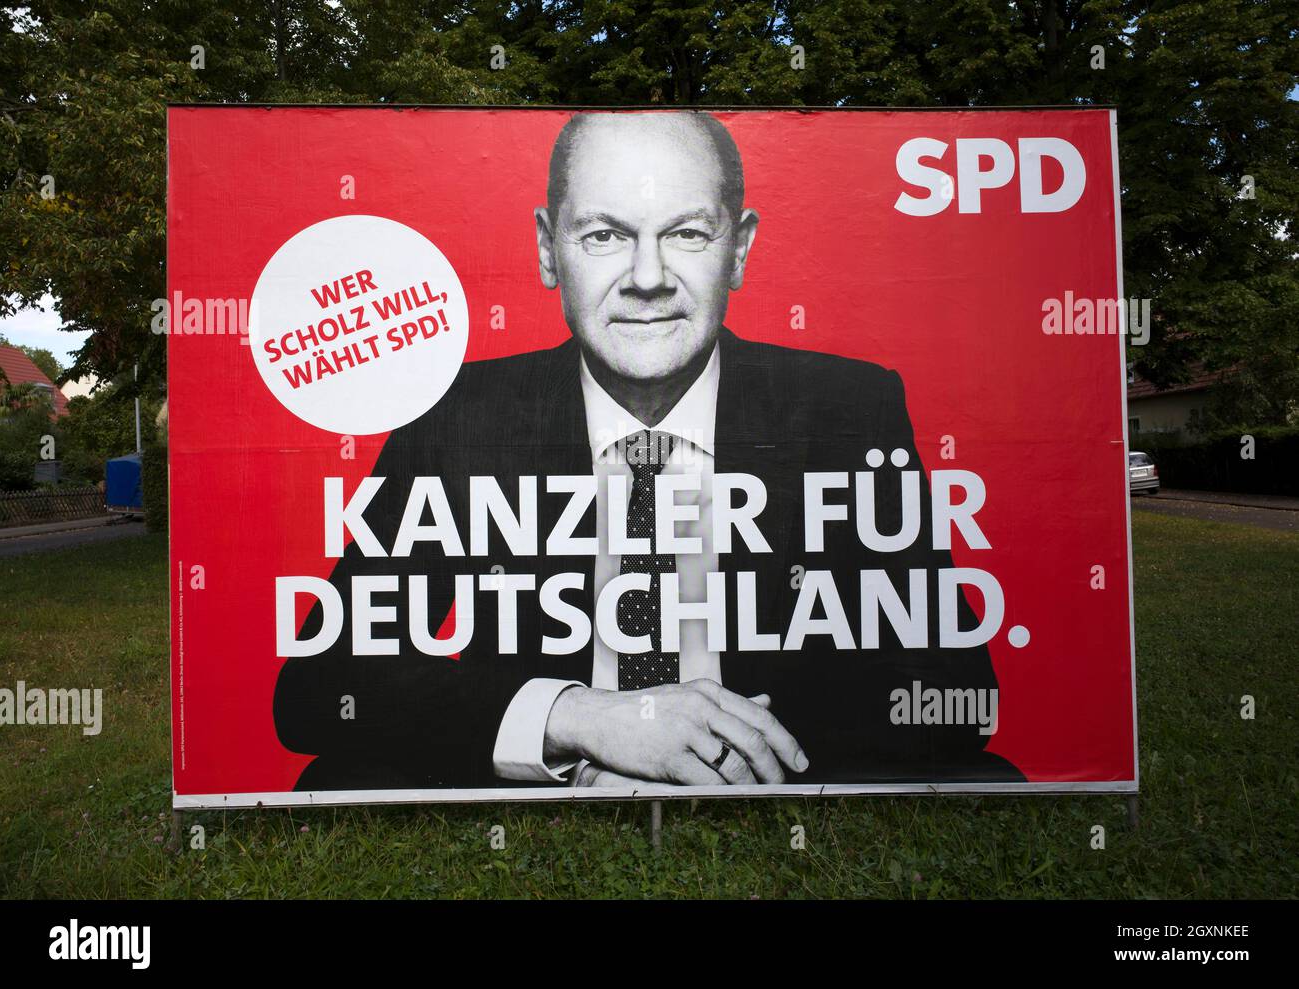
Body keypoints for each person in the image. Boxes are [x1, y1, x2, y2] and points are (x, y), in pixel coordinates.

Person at [273, 110, 1023, 790]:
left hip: (774, 770)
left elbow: (955, 694)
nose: (647, 278)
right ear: (547, 249)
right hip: (545, 774)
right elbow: (316, 693)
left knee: (989, 778)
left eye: (688, 234)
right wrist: (580, 721)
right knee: (335, 773)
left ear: (739, 249)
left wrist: (717, 747)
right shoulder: (455, 416)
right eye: (604, 235)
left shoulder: (847, 408)